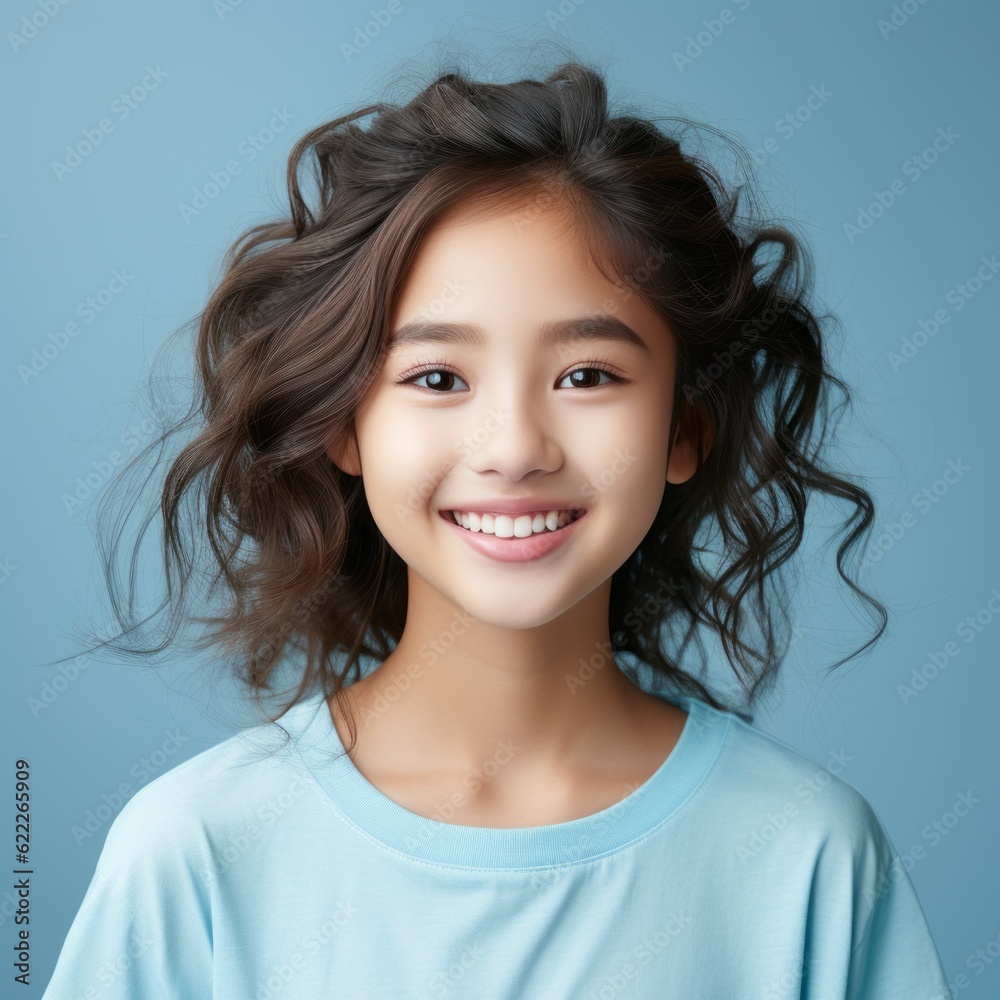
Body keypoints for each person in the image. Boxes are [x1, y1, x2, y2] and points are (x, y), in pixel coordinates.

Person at [41, 56, 951, 998]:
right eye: (437, 379)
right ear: (346, 425)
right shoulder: (195, 856)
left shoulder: (809, 859)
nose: (513, 448)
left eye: (588, 375)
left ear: (685, 426)